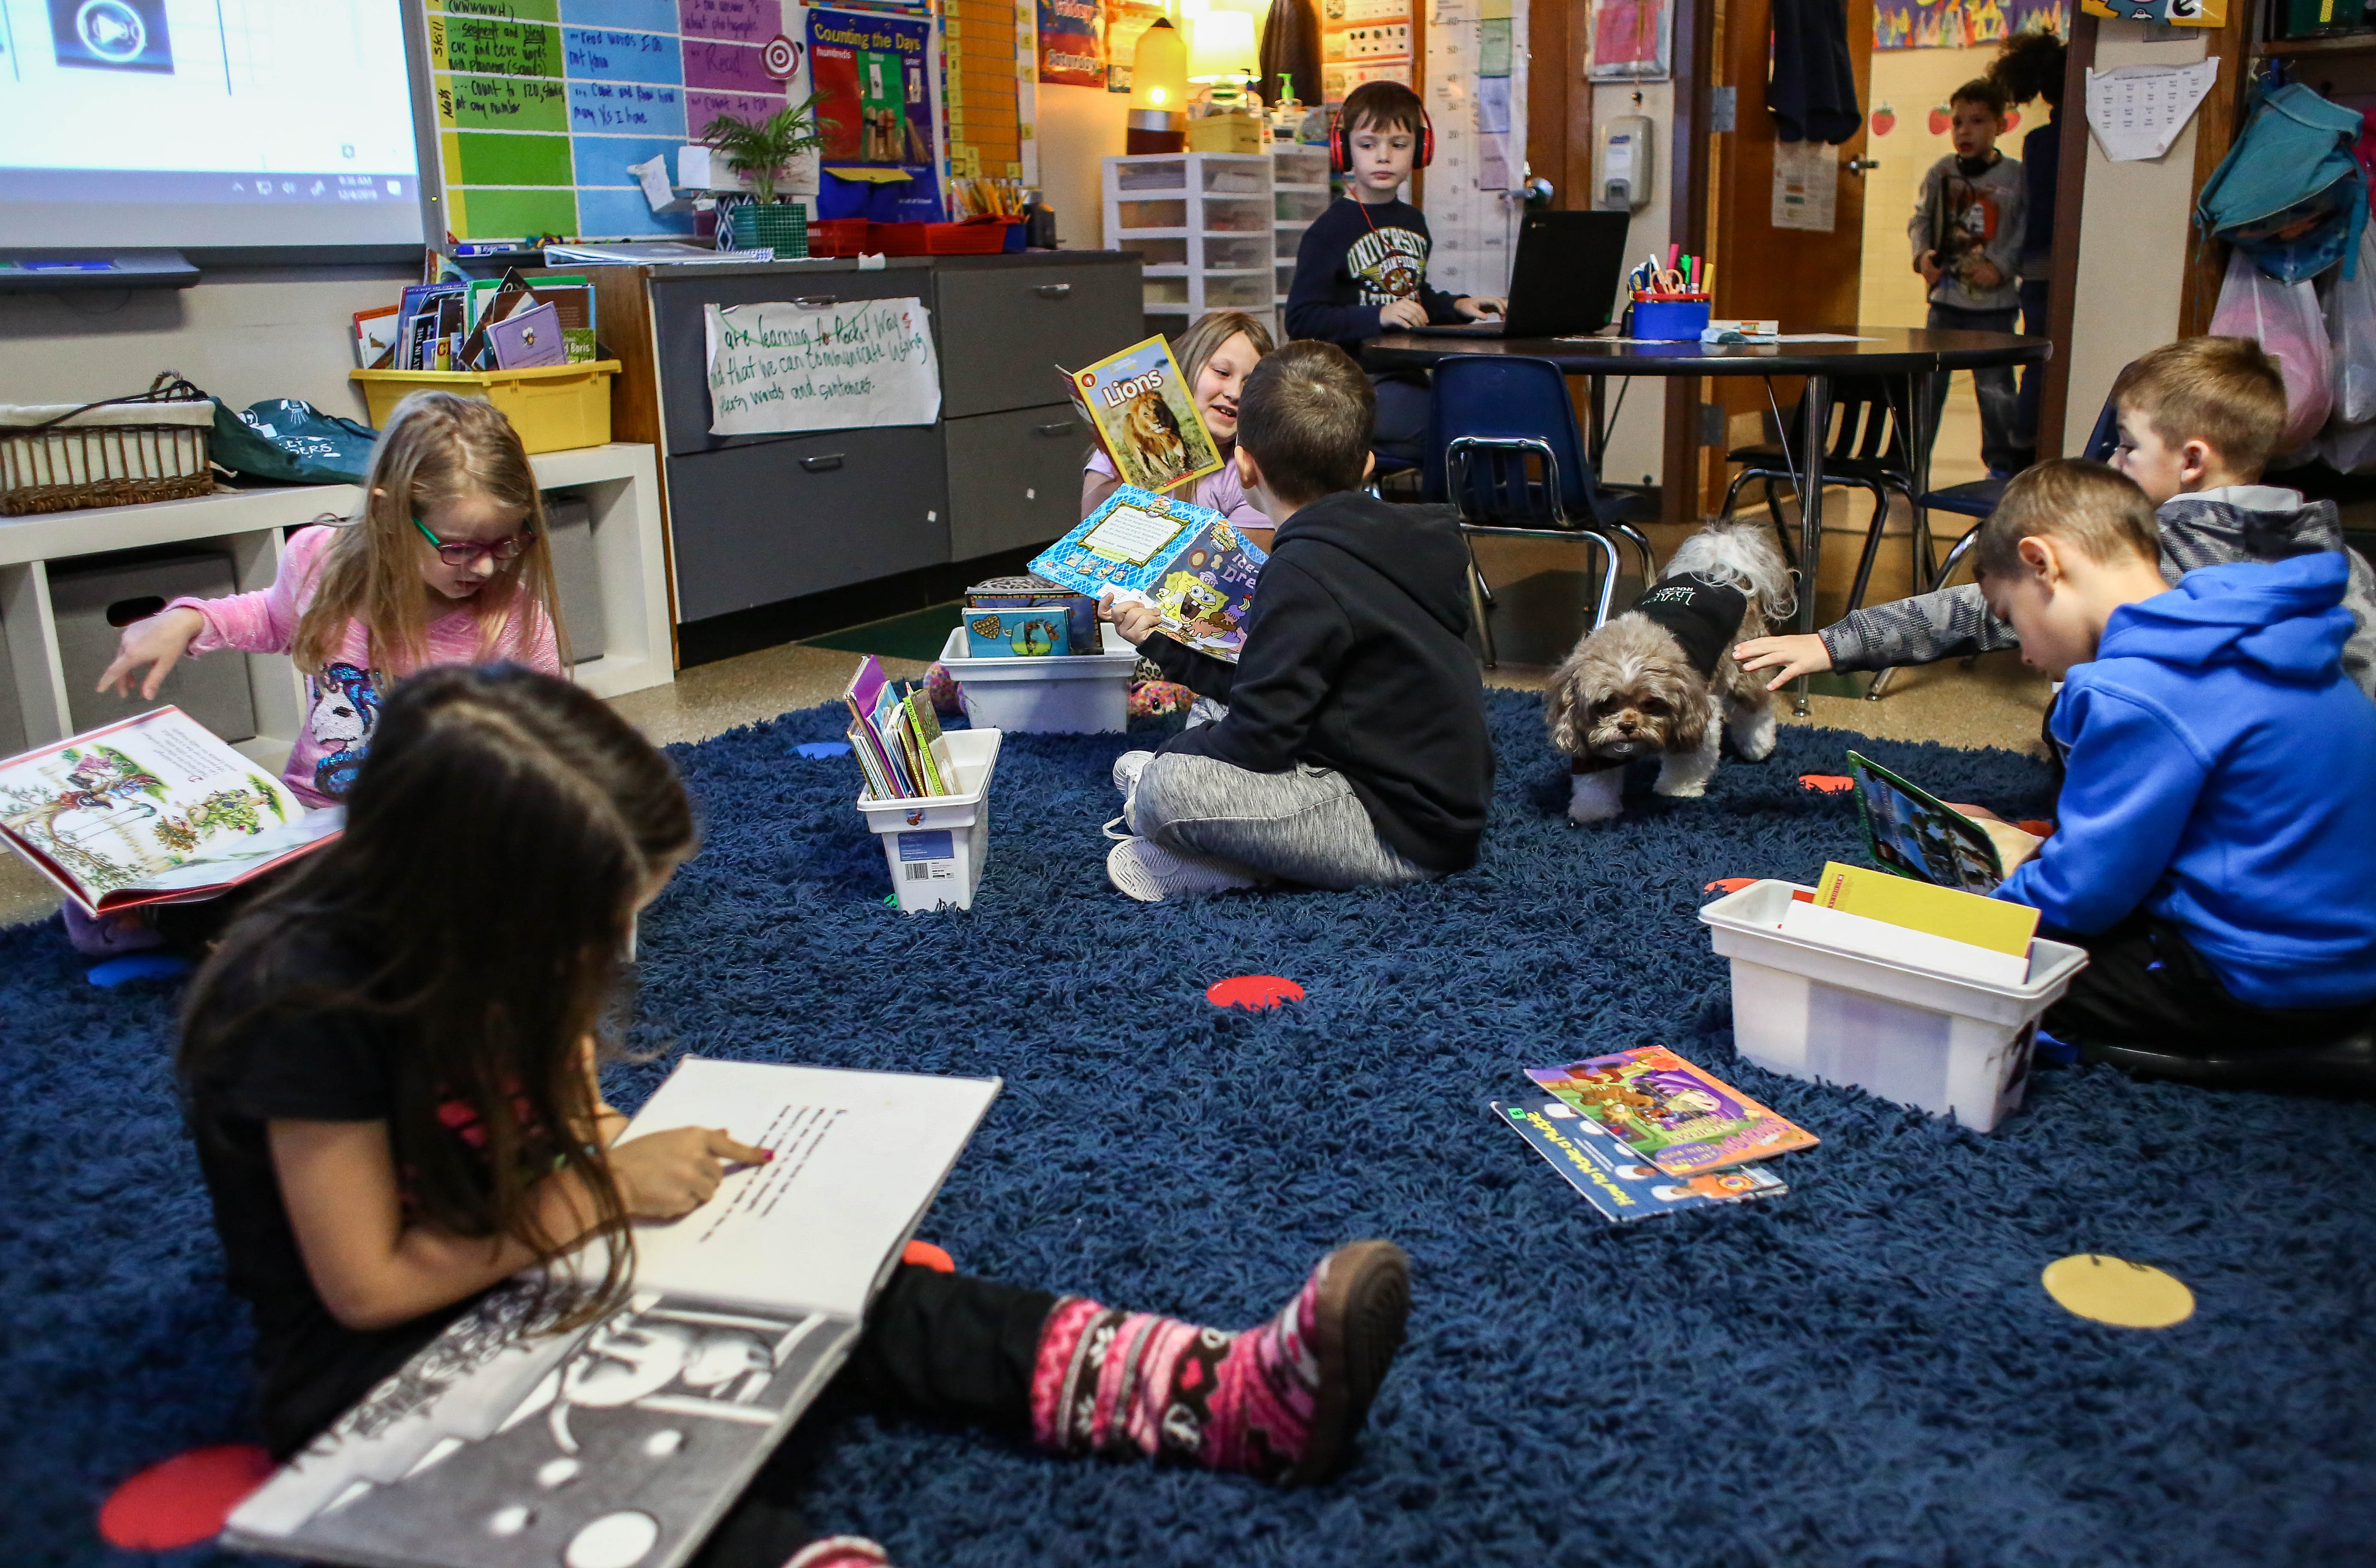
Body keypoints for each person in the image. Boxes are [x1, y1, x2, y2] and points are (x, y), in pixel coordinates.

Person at [177, 664, 1413, 1568]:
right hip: (386, 1367)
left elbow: (568, 1110)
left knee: (871, 1284)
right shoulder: (303, 996)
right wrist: (601, 1193)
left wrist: (614, 1158)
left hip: (537, 1238)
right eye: (593, 923)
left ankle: (1223, 1391)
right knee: (608, 1485)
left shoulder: (499, 956)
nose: (614, 949)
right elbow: (365, 1282)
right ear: (485, 902)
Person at [70, 390, 566, 957]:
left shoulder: (514, 621)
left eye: (506, 544)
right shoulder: (318, 560)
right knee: (173, 849)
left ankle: (235, 931)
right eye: (458, 547)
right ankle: (213, 916)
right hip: (312, 821)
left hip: (430, 835)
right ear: (387, 512)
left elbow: (558, 746)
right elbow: (270, 616)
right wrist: (185, 620)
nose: (484, 565)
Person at [1958, 461, 2376, 1080]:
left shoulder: (2138, 690)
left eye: (2010, 617)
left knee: (1980, 977)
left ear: (2041, 563)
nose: (2020, 651)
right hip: (2347, 951)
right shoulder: (2246, 627)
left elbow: (2082, 897)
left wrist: (1978, 915)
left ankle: (2286, 1054)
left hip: (2258, 978)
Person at [1734, 336, 2376, 700]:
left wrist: (1832, 641)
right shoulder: (2339, 558)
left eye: (2128, 446)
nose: (2115, 461)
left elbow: (1986, 606)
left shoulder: (2157, 557)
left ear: (2190, 460)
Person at [1099, 341, 1494, 902]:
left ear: (1244, 463)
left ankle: (1239, 863)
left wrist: (1172, 760)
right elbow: (1272, 682)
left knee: (1168, 788)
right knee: (1209, 716)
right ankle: (1229, 847)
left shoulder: (1304, 570)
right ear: (1366, 465)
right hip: (1398, 779)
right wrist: (1166, 644)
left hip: (1397, 832)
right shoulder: (1396, 537)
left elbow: (1259, 740)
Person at [1282, 80, 1504, 470]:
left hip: (1405, 376)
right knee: (1448, 427)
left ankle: (1477, 512)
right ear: (1344, 149)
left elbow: (1409, 295)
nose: (1382, 157)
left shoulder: (1413, 222)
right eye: (1368, 145)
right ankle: (1444, 518)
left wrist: (1456, 305)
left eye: (1398, 145)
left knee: (1486, 407)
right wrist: (1377, 317)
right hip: (1352, 385)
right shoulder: (1329, 230)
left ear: (1421, 150)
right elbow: (1301, 319)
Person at [1910, 77, 2029, 479]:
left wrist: (2001, 266)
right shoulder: (1941, 171)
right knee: (1928, 387)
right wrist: (1922, 255)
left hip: (1993, 306)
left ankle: (2000, 465)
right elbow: (1921, 220)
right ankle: (1911, 462)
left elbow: (2023, 230)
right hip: (1945, 301)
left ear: (2001, 125)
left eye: (1977, 121)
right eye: (1957, 121)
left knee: (1995, 388)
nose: (1964, 131)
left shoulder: (2015, 176)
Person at [1081, 309, 1275, 536]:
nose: (1235, 393)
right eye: (1222, 373)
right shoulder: (1127, 445)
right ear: (1188, 367)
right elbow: (1088, 532)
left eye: (1250, 384)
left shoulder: (1252, 472)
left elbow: (1237, 566)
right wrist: (1120, 487)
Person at [1990, 29, 2066, 463]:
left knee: (2038, 361)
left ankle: (2020, 447)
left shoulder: (2038, 141)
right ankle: (2023, 449)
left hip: (2035, 267)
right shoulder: (2062, 142)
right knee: (2046, 362)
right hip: (2052, 266)